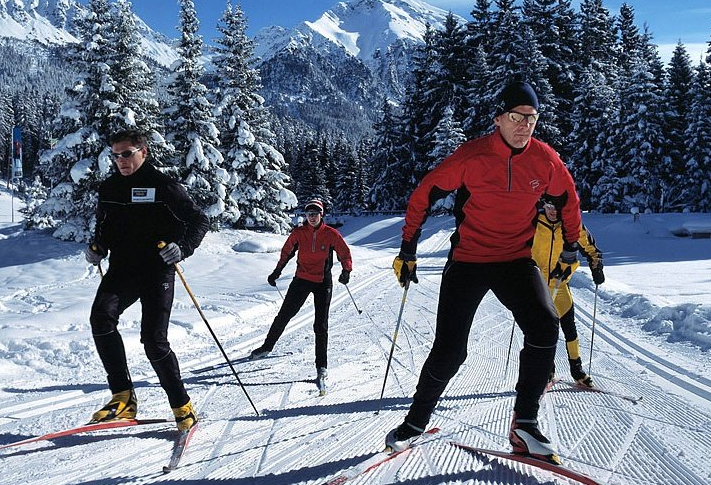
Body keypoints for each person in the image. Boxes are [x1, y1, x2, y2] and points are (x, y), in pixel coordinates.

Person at [386, 81, 582, 464]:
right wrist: (408, 247)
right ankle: (414, 424)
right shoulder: (472, 156)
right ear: (499, 118)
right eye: (516, 116)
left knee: (545, 325)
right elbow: (425, 192)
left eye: (532, 117)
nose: (525, 124)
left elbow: (568, 198)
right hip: (469, 261)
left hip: (514, 260)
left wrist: (571, 245)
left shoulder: (545, 160)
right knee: (450, 351)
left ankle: (525, 423)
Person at [84, 128, 209, 431]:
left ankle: (183, 406)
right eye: (115, 155)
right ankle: (123, 398)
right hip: (123, 269)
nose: (121, 160)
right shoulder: (109, 188)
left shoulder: (164, 186)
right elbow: (104, 227)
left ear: (143, 152)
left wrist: (183, 247)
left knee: (153, 341)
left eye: (127, 154)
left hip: (157, 270)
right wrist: (97, 247)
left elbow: (199, 221)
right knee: (101, 318)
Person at [250, 199, 353, 385]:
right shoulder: (299, 233)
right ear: (305, 216)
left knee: (320, 325)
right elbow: (286, 252)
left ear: (322, 215)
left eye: (315, 214)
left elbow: (344, 252)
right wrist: (276, 271)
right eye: (309, 214)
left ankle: (322, 366)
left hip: (323, 282)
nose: (312, 217)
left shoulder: (331, 234)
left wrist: (346, 271)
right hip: (302, 280)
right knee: (284, 315)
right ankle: (267, 347)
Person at [532, 198, 604, 388]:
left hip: (560, 284)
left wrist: (597, 267)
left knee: (569, 329)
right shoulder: (533, 222)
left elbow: (590, 248)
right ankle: (547, 369)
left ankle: (577, 370)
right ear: (544, 207)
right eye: (549, 207)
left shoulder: (571, 225)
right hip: (536, 285)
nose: (553, 212)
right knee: (540, 331)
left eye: (556, 208)